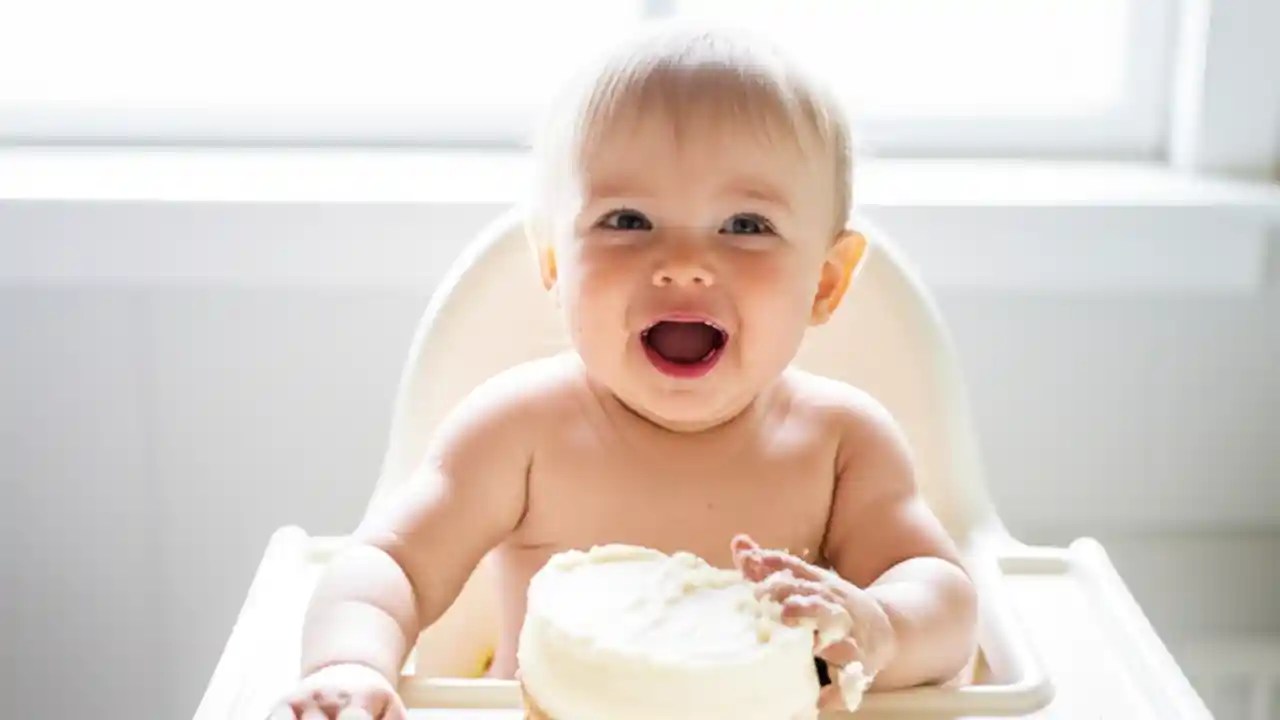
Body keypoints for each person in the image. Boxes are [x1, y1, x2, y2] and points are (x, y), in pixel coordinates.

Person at [273, 23, 978, 720]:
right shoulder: (518, 433)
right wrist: (350, 664)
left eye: (745, 225)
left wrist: (878, 625)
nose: (682, 261)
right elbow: (388, 566)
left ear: (824, 283)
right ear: (555, 264)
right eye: (628, 219)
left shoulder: (839, 446)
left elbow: (945, 601)